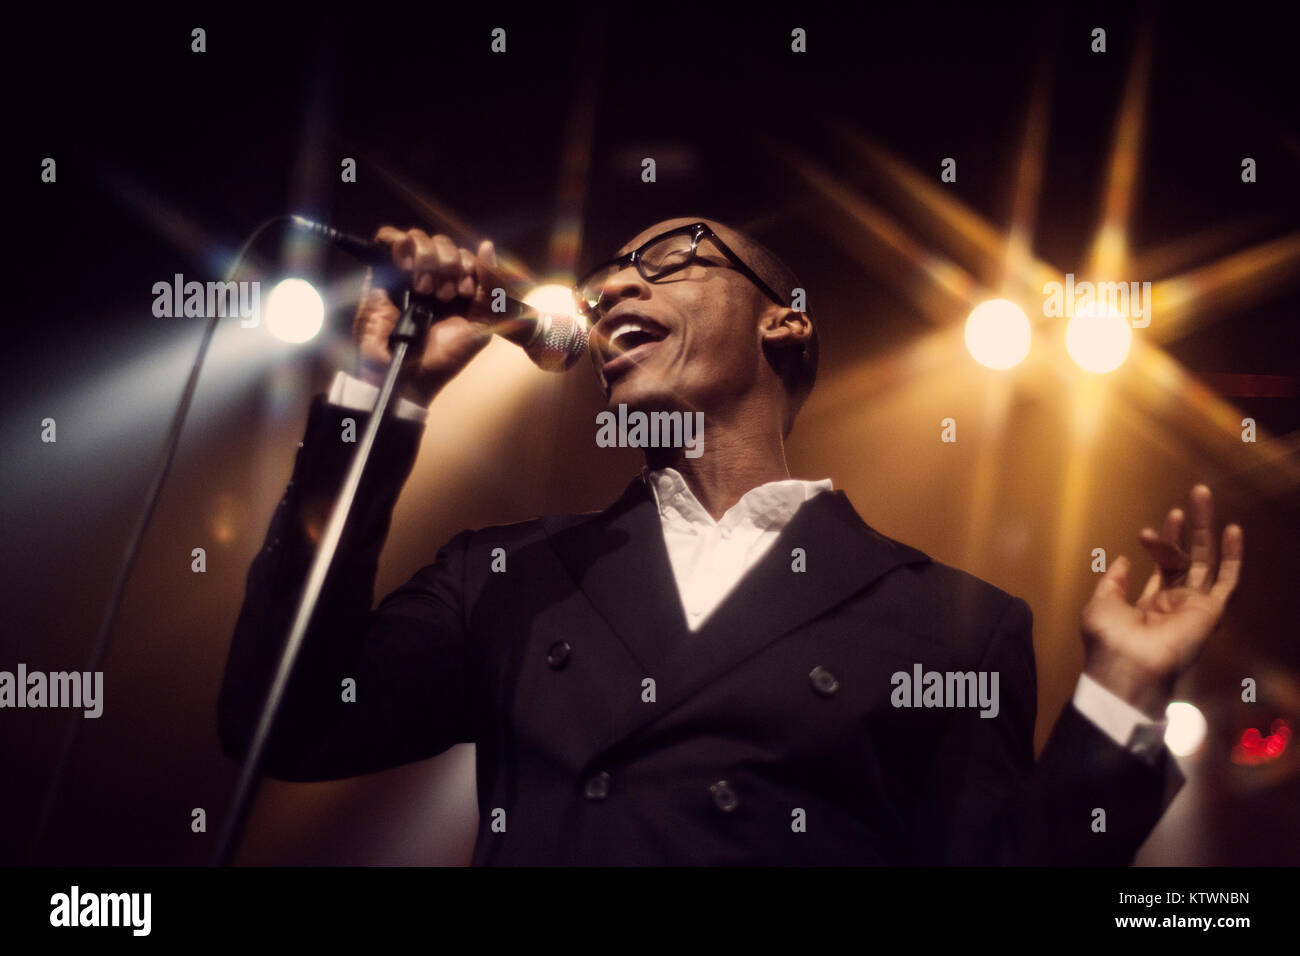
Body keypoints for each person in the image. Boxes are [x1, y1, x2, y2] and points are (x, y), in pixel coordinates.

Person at [218, 216, 1244, 865]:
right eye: (608, 274)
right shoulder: (509, 573)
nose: (616, 287)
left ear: (784, 323)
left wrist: (1118, 693)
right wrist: (380, 397)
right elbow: (285, 719)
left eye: (666, 259)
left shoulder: (948, 621)